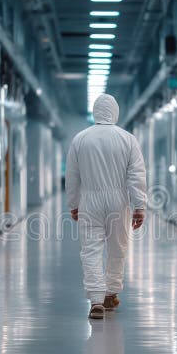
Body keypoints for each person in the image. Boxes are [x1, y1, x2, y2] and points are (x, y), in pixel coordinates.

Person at [66, 94, 147, 319]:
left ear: (95, 111)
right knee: (117, 247)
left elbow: (72, 176)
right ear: (115, 111)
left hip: (89, 199)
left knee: (90, 249)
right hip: (118, 200)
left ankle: (96, 300)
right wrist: (139, 206)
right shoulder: (127, 139)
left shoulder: (80, 139)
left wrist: (73, 203)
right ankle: (111, 293)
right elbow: (136, 175)